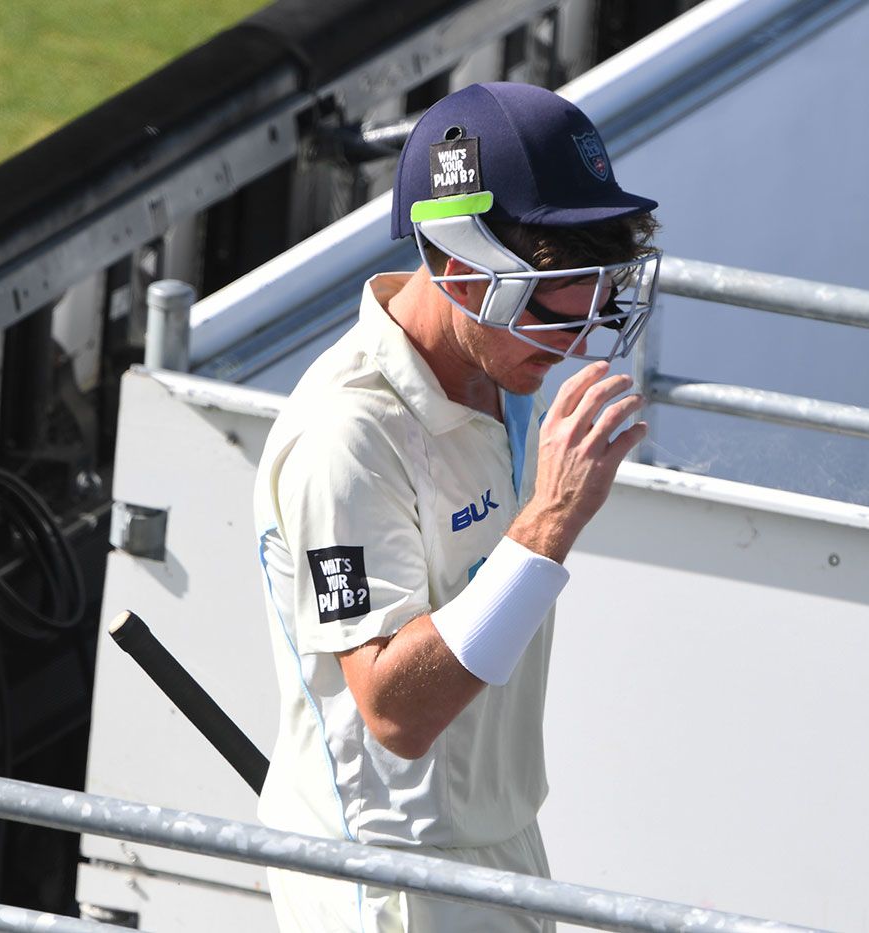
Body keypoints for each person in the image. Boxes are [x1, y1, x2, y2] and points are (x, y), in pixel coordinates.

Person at [252, 81, 661, 932]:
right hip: (392, 878)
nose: (578, 342)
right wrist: (547, 525)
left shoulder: (499, 370)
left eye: (592, 306)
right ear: (466, 267)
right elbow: (395, 711)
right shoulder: (347, 434)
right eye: (553, 314)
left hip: (490, 840)